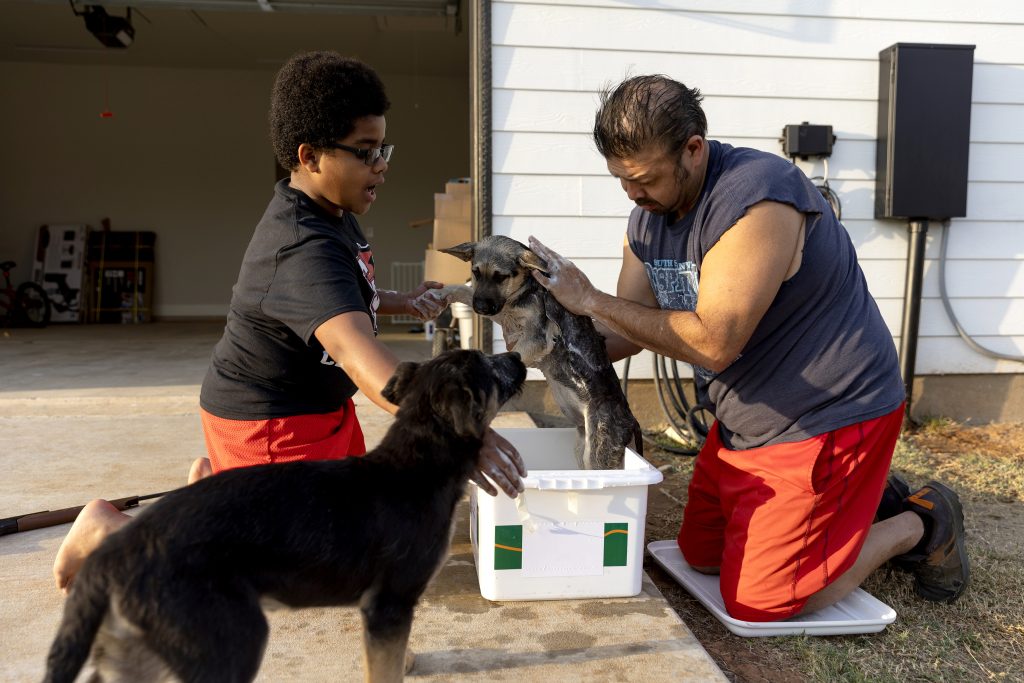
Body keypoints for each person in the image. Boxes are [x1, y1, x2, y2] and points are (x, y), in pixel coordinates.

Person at [53, 51, 525, 594]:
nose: (382, 164)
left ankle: (218, 496)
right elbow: (363, 361)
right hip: (270, 424)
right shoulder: (301, 248)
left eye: (384, 148)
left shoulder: (333, 213)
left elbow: (341, 300)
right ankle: (114, 530)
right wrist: (461, 426)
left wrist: (396, 299)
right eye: (366, 152)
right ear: (310, 156)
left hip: (320, 408)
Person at [528, 74, 969, 621]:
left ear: (693, 148)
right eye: (621, 179)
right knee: (701, 555)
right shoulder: (647, 219)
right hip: (749, 420)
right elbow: (626, 329)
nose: (632, 193)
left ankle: (922, 521)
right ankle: (865, 499)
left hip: (828, 414)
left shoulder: (757, 199)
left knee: (763, 600)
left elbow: (714, 343)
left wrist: (590, 298)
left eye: (642, 178)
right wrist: (542, 343)